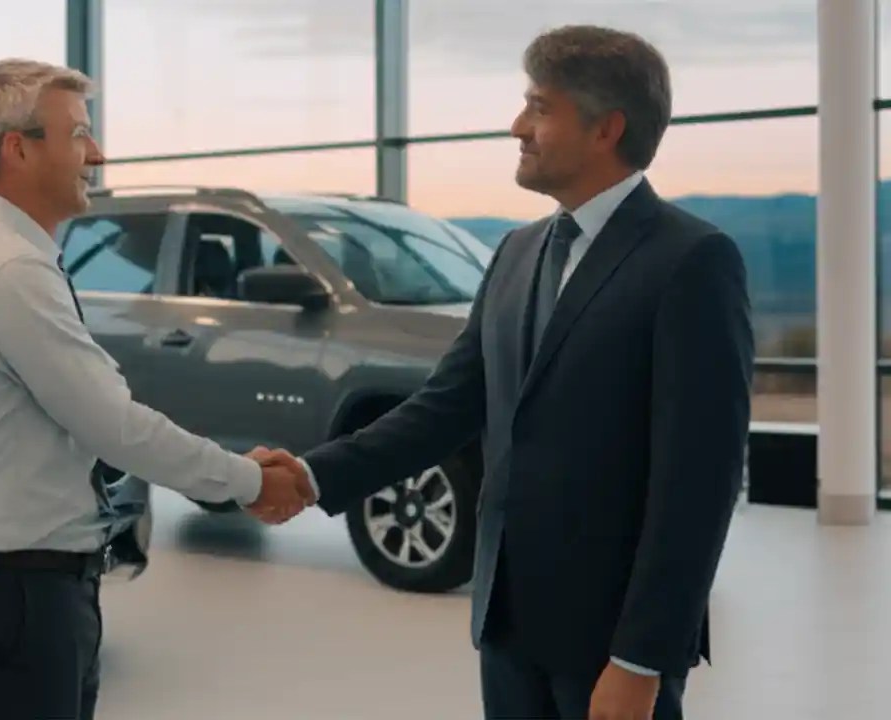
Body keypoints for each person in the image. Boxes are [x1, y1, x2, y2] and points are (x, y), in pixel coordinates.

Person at [252, 25, 753, 720]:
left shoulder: (692, 261)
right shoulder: (517, 252)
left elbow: (699, 483)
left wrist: (645, 656)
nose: (518, 126)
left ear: (607, 128)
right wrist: (311, 477)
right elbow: (446, 407)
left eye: (539, 108)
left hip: (611, 642)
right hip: (508, 623)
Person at [0, 58, 313, 720]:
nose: (94, 154)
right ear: (18, 148)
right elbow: (114, 426)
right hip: (19, 599)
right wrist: (245, 480)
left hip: (0, 587)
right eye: (77, 135)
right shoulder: (8, 268)